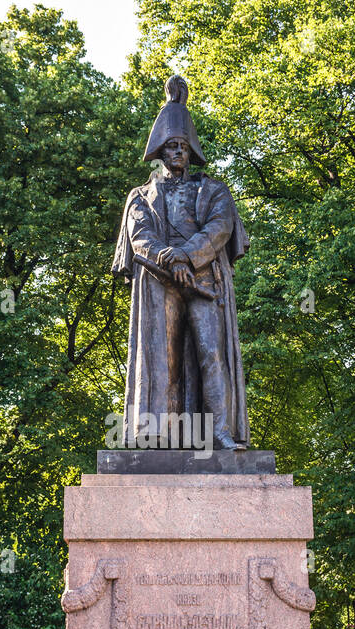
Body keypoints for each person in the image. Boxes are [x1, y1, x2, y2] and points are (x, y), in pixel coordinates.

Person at [111, 75, 251, 450]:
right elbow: (139, 236)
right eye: (170, 146)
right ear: (159, 151)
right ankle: (156, 434)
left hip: (204, 280)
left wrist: (188, 256)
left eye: (182, 147)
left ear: (191, 152)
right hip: (159, 281)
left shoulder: (214, 189)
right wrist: (170, 258)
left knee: (211, 356)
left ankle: (221, 432)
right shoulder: (140, 196)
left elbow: (220, 227)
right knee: (163, 359)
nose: (176, 152)